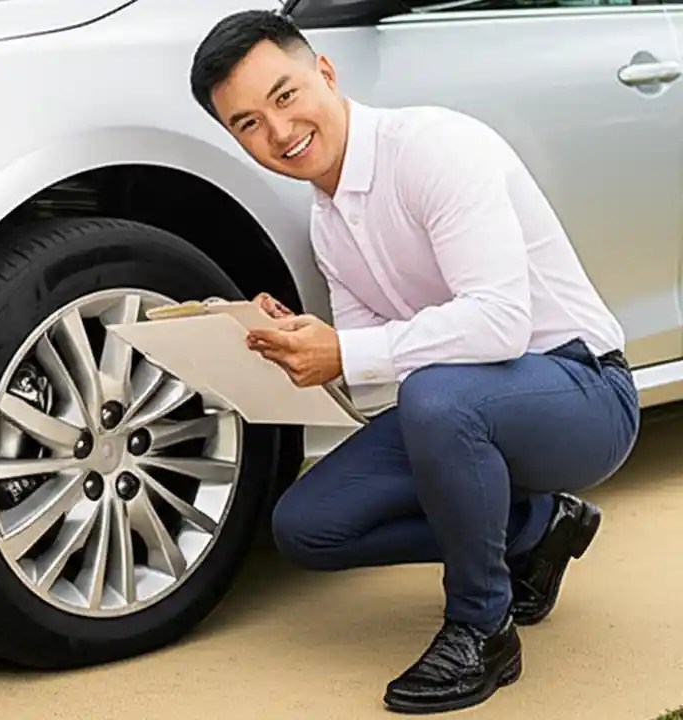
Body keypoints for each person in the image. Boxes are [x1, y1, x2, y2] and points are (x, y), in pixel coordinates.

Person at [189, 10, 641, 715]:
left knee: (440, 398)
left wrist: (347, 350)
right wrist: (306, 352)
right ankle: (540, 527)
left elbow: (498, 322)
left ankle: (482, 627)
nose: (277, 133)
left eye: (285, 97)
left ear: (325, 73)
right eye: (247, 124)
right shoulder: (329, 219)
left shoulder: (433, 148)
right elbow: (384, 390)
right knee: (307, 526)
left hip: (583, 391)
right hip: (466, 413)